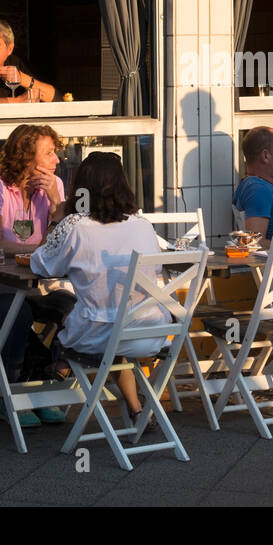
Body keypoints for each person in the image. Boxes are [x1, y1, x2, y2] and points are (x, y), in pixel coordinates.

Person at [32, 151, 171, 425]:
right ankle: (136, 409)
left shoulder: (75, 226)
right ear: (124, 185)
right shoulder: (143, 226)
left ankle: (54, 371)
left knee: (78, 315)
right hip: (151, 334)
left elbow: (41, 265)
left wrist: (57, 218)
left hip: (98, 336)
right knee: (114, 318)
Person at [0, 124, 73, 426]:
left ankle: (44, 386)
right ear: (27, 158)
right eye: (49, 153)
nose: (57, 160)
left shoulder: (53, 187)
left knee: (73, 305)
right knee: (17, 315)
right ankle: (12, 396)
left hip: (36, 284)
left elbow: (64, 242)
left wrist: (58, 205)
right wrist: (37, 251)